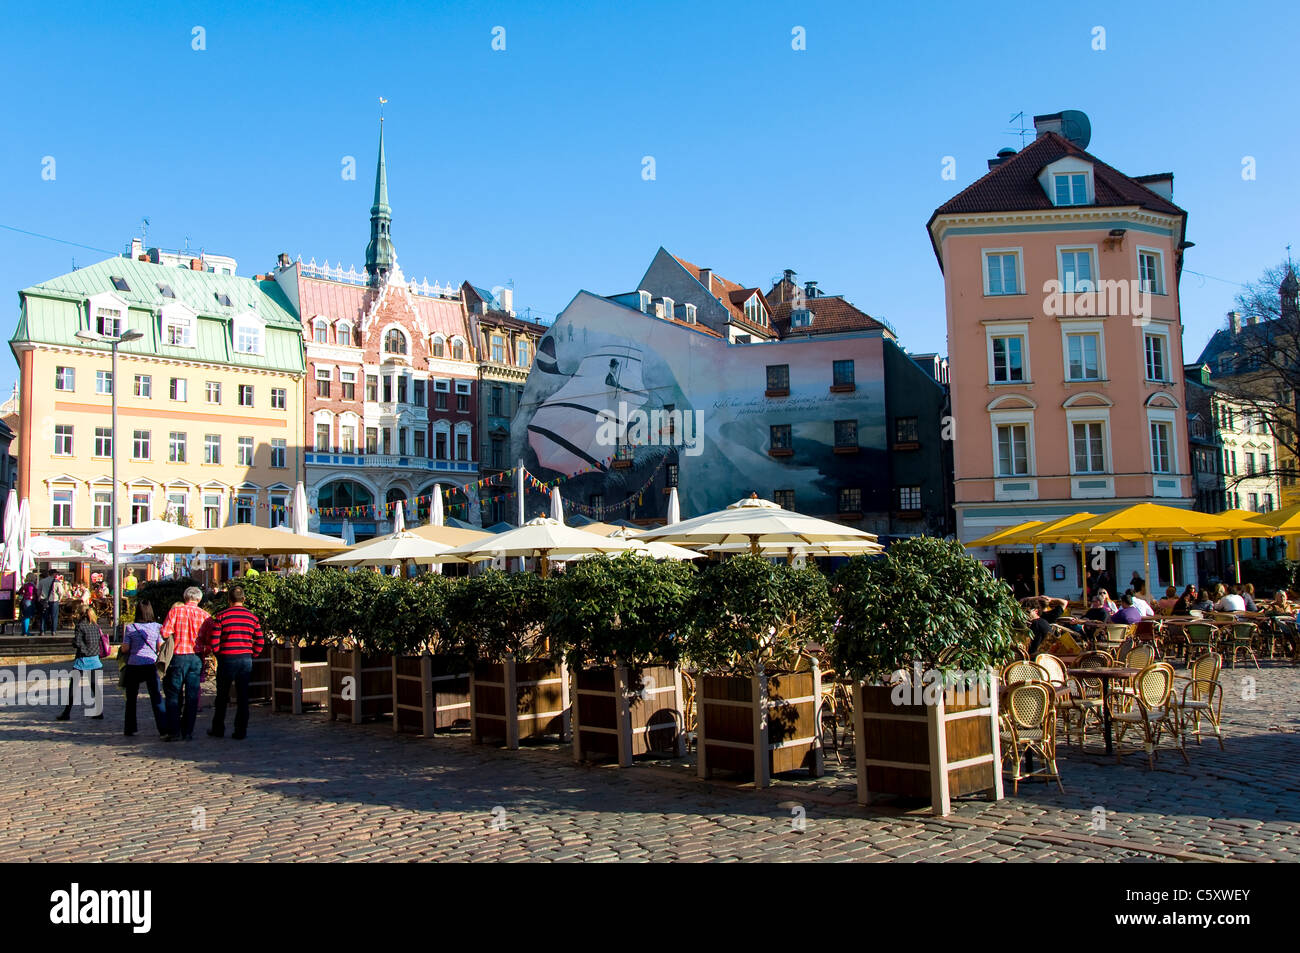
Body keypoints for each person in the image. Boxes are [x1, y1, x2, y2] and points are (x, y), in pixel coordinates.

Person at [207, 585, 265, 740]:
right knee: (243, 696)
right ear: (244, 599)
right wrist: (253, 654)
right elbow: (260, 640)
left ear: (229, 600)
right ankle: (241, 730)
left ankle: (218, 727)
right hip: (245, 658)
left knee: (222, 696)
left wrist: (219, 653)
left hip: (227, 658)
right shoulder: (252, 617)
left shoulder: (221, 616)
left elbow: (214, 642)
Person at [160, 587, 212, 742]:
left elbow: (164, 633)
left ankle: (174, 730)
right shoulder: (205, 616)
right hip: (196, 657)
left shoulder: (176, 611)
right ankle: (188, 731)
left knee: (174, 693)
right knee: (192, 695)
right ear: (199, 599)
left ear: (185, 597)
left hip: (178, 655)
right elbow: (210, 640)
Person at [120, 600, 167, 737]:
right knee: (156, 696)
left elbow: (126, 648)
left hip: (134, 664)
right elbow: (160, 647)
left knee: (131, 698)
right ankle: (163, 728)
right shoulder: (157, 627)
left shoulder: (130, 628)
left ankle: (130, 728)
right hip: (150, 664)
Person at [57, 605, 105, 721]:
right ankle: (99, 711)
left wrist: (74, 643)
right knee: (95, 687)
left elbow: (78, 643)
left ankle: (66, 713)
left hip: (83, 659)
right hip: (95, 659)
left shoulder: (80, 626)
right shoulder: (95, 625)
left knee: (73, 687)